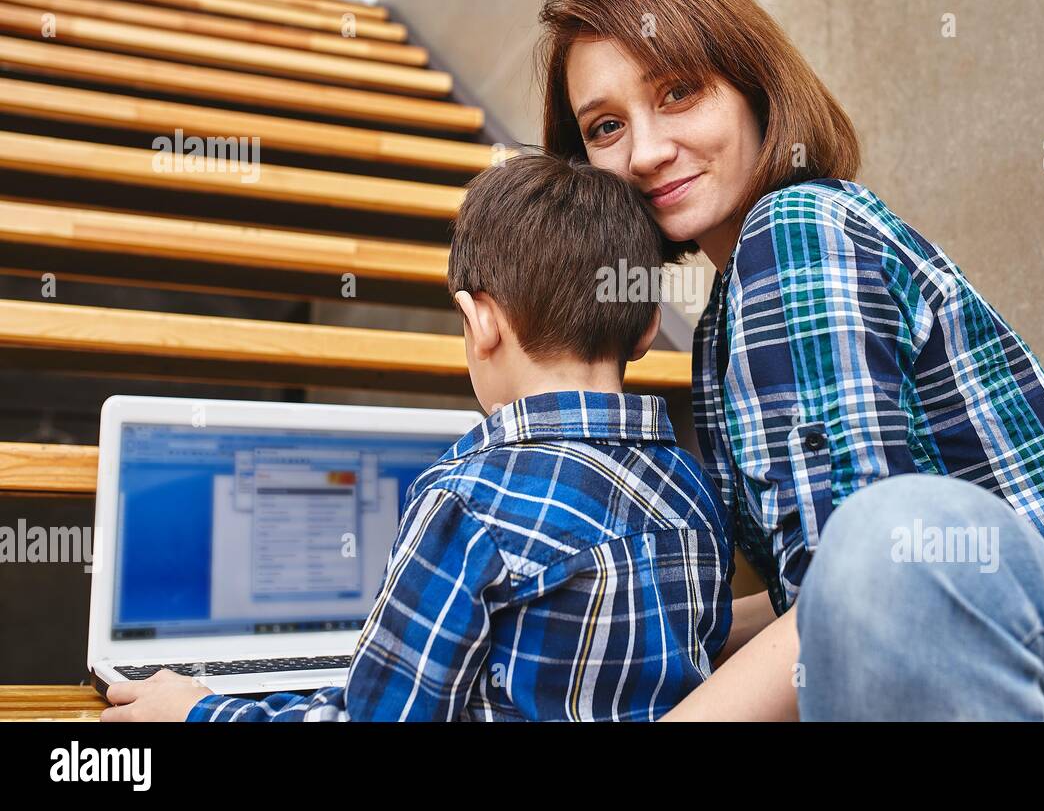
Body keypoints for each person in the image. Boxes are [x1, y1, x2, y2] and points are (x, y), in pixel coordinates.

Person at [534, 0, 1044, 721]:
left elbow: (862, 580)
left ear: (752, 88)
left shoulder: (797, 228)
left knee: (878, 546)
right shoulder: (718, 333)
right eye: (606, 127)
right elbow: (827, 610)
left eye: (678, 93)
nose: (644, 151)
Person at [101, 152, 732, 721]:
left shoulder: (468, 502)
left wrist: (197, 713)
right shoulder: (693, 492)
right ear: (650, 325)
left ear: (478, 319)